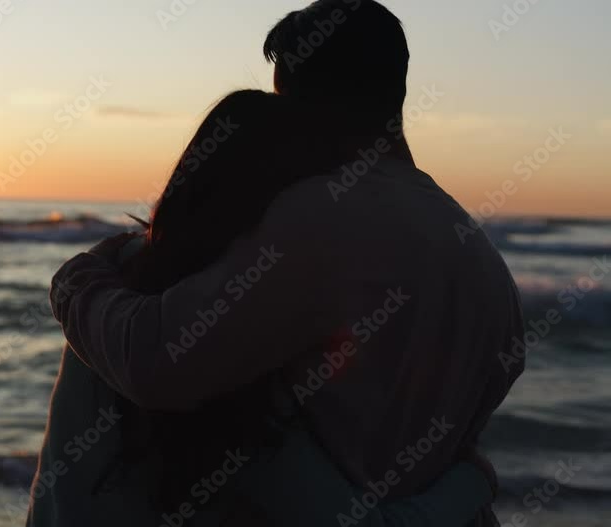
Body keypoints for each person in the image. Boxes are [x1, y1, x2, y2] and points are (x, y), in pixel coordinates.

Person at [46, 0, 525, 525]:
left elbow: (160, 359)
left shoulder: (325, 214)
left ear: (296, 101)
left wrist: (74, 282)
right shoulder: (482, 258)